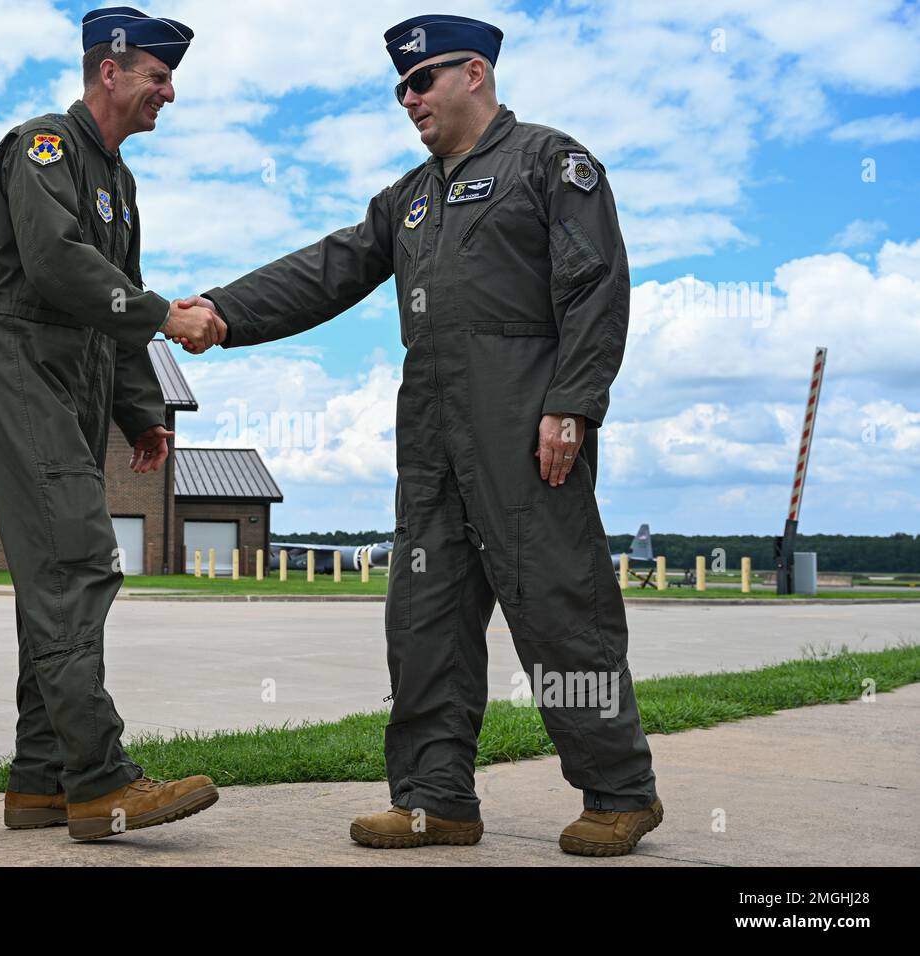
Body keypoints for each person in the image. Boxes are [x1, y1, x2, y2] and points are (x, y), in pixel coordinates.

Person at [175, 14, 661, 856]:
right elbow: (330, 267)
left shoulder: (551, 163)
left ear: (474, 73)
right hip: (430, 439)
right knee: (424, 619)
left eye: (421, 80)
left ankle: (619, 791)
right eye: (400, 86)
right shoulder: (411, 196)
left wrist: (572, 403)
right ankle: (437, 800)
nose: (408, 98)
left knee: (559, 615)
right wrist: (225, 310)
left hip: (524, 428)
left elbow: (595, 286)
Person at [0, 5, 225, 842]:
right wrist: (163, 315)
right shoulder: (42, 146)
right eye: (158, 76)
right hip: (24, 368)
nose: (170, 93)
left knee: (53, 578)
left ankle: (40, 780)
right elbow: (56, 265)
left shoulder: (120, 181)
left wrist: (141, 410)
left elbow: (110, 301)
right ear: (109, 71)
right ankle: (102, 781)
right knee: (77, 562)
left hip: (77, 377)